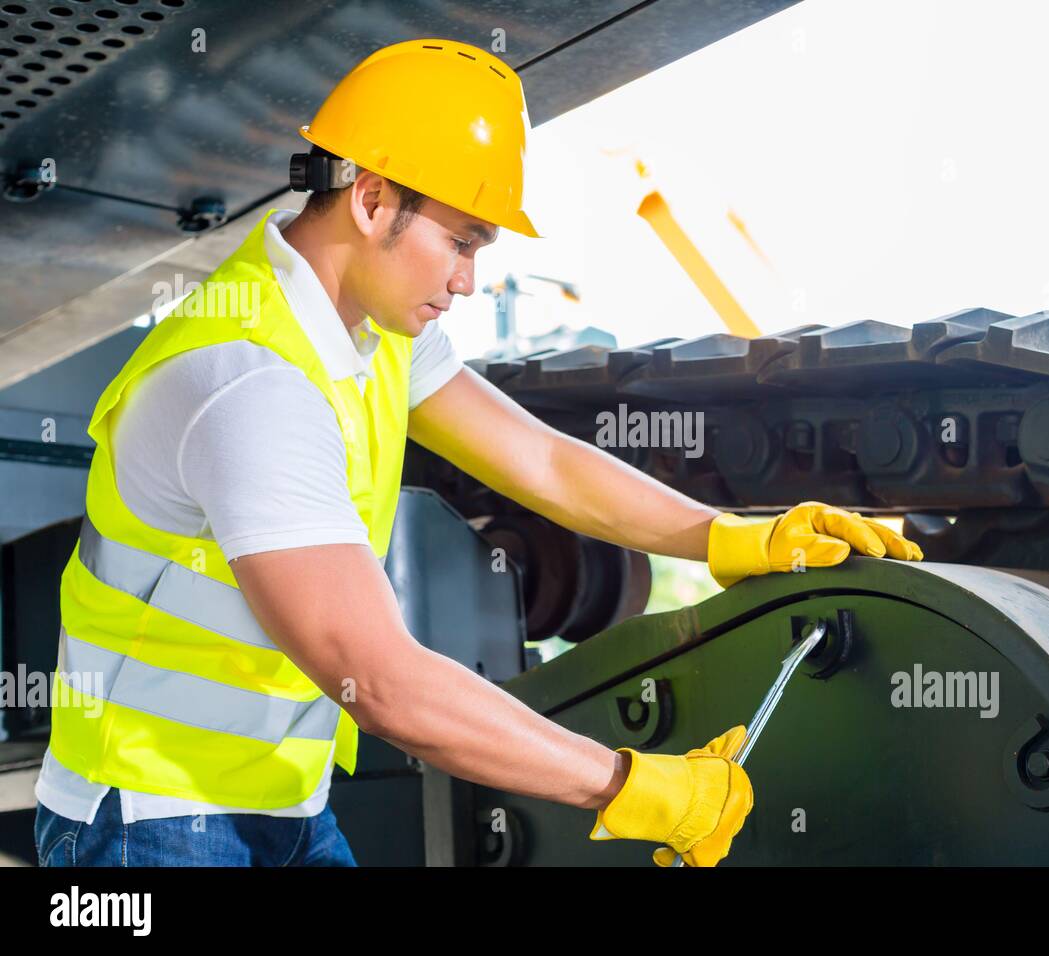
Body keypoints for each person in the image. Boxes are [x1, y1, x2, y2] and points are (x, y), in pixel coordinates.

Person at [33, 38, 921, 868]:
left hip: (278, 802)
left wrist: (727, 536)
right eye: (459, 241)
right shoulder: (250, 382)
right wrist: (633, 787)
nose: (466, 280)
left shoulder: (372, 333)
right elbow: (381, 682)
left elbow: (540, 461)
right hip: (147, 819)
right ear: (372, 198)